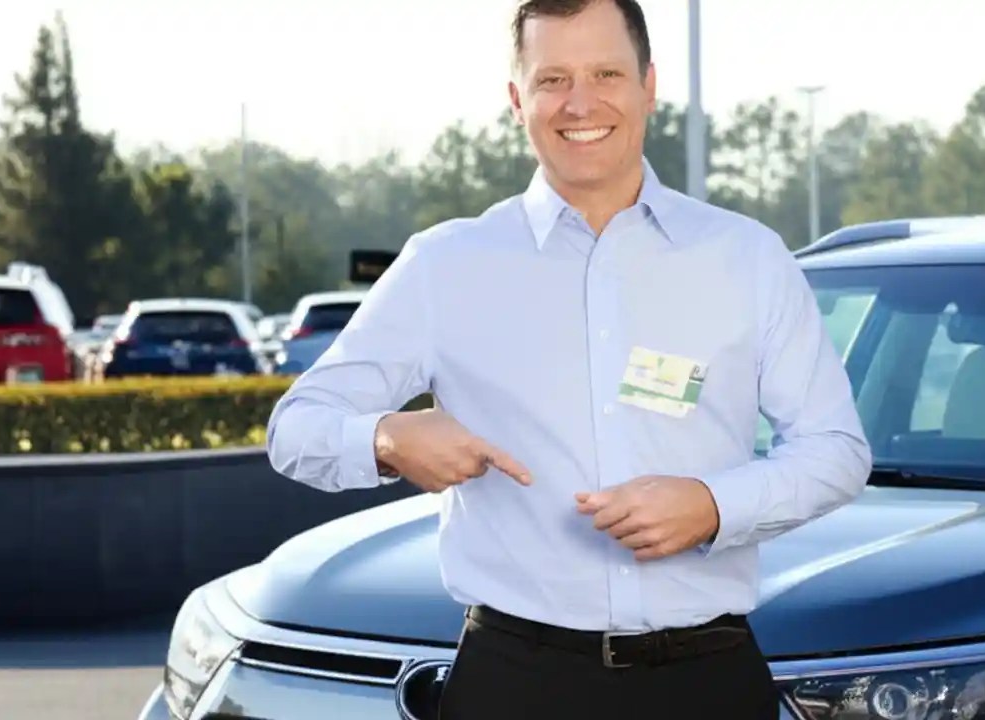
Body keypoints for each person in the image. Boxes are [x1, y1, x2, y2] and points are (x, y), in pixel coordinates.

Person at [265, 0, 872, 717]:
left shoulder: (748, 258)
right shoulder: (445, 265)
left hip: (706, 679)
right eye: (552, 79)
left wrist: (713, 506)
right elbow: (295, 429)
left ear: (648, 85)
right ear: (517, 99)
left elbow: (836, 451)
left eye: (605, 74)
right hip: (515, 683)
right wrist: (387, 439)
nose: (580, 103)